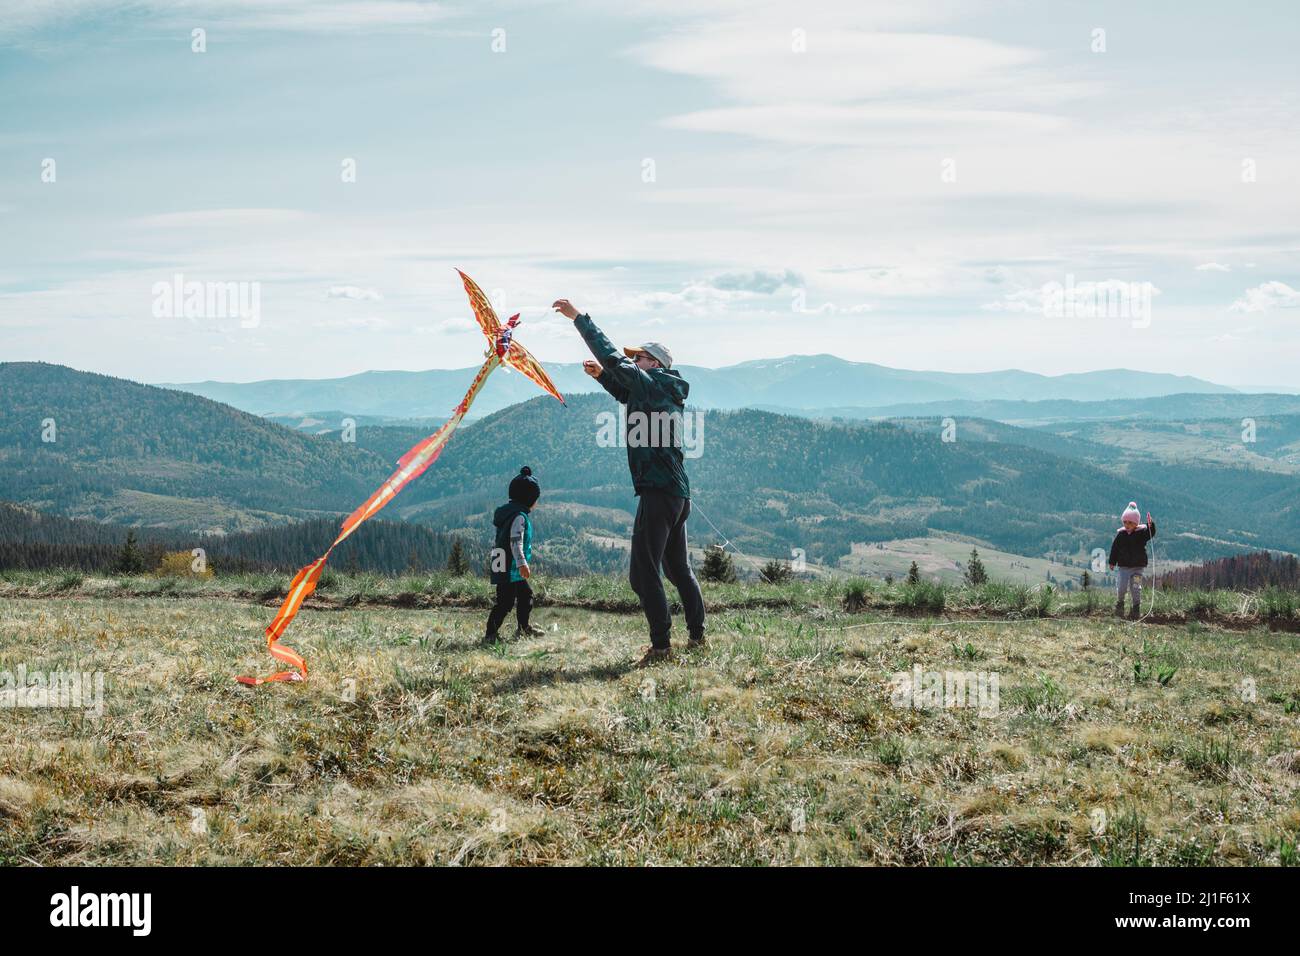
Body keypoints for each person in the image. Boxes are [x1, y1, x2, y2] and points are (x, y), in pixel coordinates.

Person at [553, 297, 705, 667]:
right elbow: (625, 390)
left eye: (639, 358)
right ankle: (698, 637)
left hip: (658, 493)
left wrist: (580, 319)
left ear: (653, 363)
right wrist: (603, 378)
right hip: (676, 495)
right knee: (677, 569)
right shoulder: (660, 390)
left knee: (642, 574)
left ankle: (661, 646)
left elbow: (615, 360)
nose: (634, 361)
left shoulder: (652, 385)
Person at [483, 466, 547, 644]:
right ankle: (490, 635)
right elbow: (515, 541)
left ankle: (524, 628)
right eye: (537, 499)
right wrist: (522, 563)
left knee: (525, 595)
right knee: (505, 602)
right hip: (509, 565)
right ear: (530, 499)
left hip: (503, 561)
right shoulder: (519, 516)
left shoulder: (510, 513)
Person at [1108, 501, 1156, 620]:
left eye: (1130, 522)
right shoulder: (1121, 535)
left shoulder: (1141, 534)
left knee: (1136, 588)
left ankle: (1136, 607)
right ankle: (1120, 603)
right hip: (1124, 567)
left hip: (1137, 568)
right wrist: (1112, 561)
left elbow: (1151, 534)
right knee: (1122, 587)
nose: (1127, 525)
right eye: (1125, 522)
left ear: (1136, 523)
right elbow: (1115, 548)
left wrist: (1151, 525)